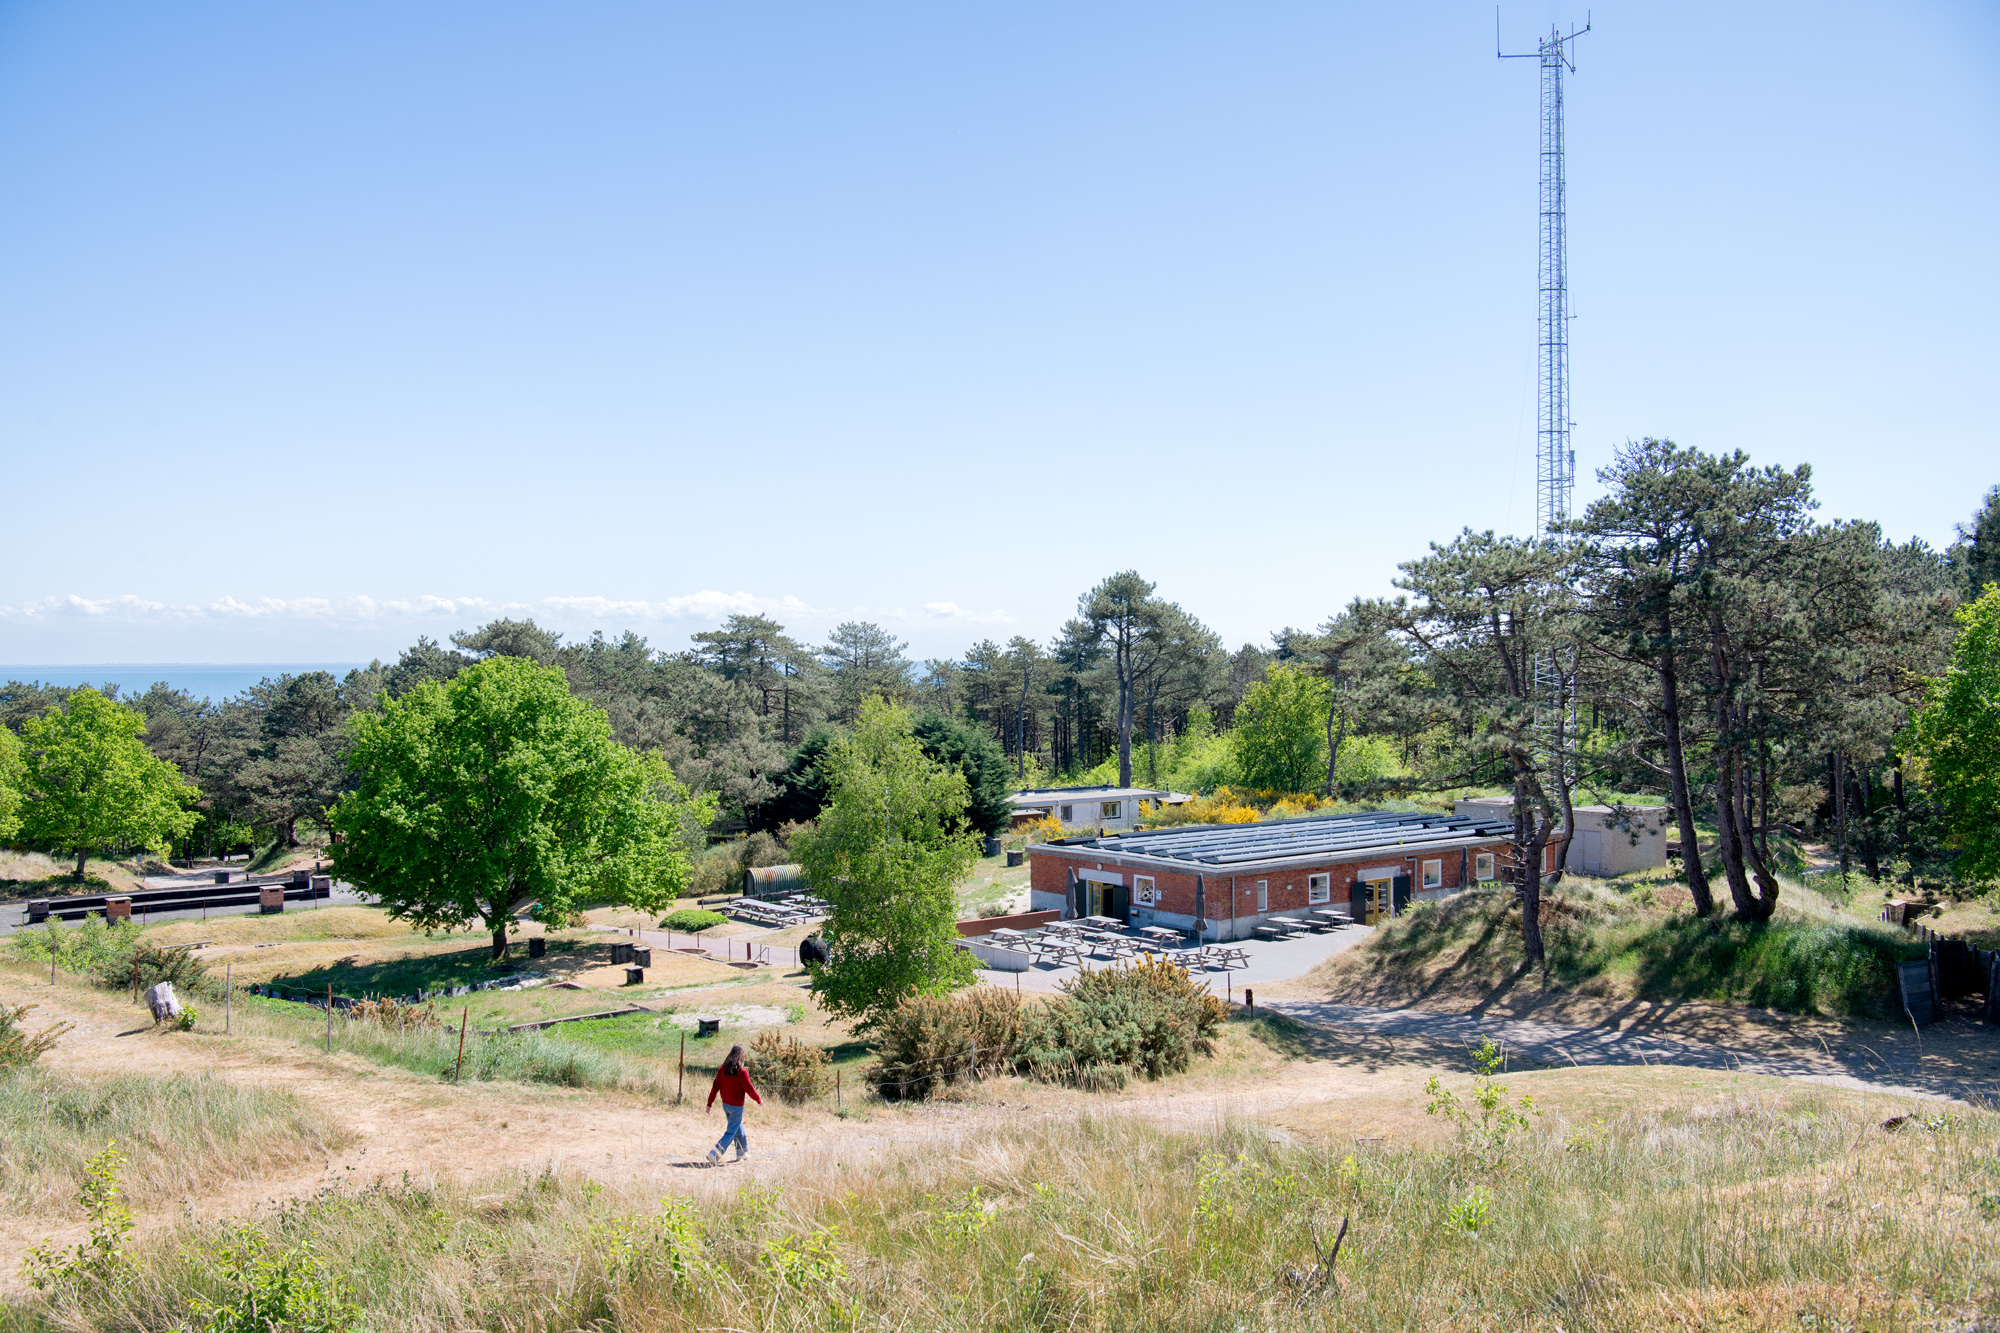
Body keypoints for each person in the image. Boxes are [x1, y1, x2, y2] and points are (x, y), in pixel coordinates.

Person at [706, 1043, 762, 1164]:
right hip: (736, 1106)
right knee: (731, 1131)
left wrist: (709, 1104)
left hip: (726, 1105)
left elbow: (715, 1087)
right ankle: (715, 1154)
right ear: (741, 1056)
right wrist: (758, 1100)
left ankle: (741, 1152)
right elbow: (749, 1088)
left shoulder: (722, 1069)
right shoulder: (741, 1072)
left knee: (736, 1126)